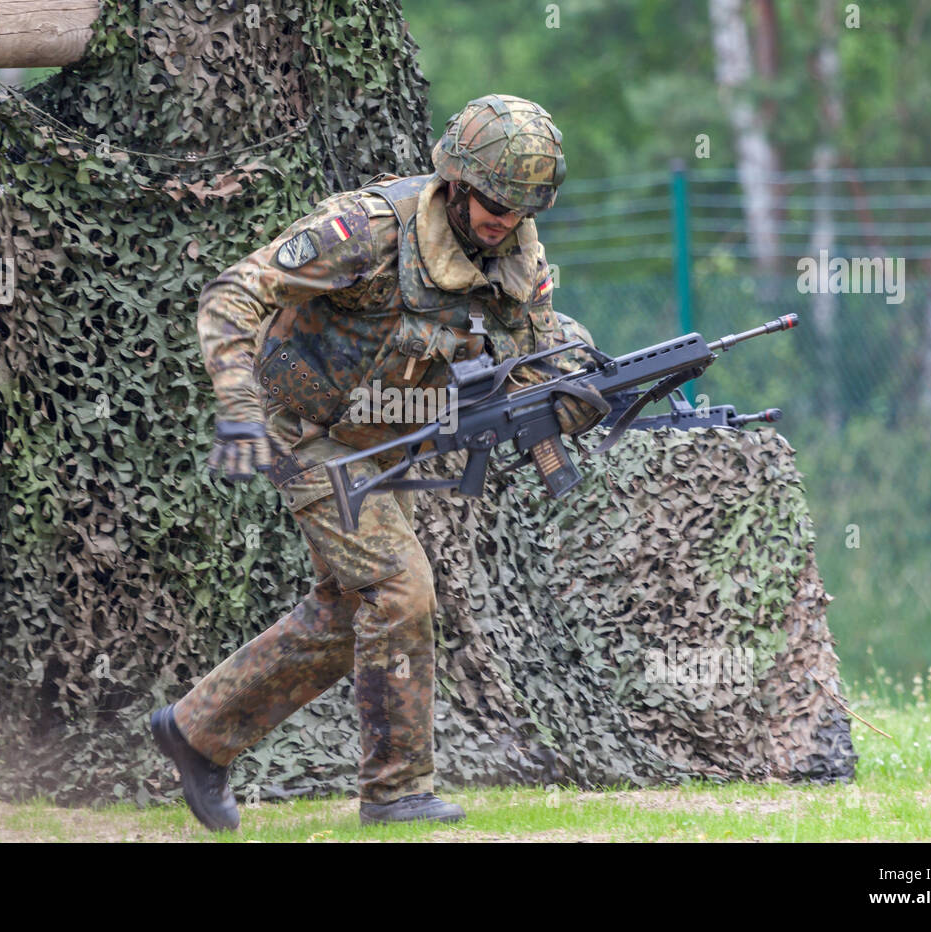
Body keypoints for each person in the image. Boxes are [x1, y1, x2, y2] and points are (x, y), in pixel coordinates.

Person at [150, 94, 607, 831]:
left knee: (351, 607)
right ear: (456, 183)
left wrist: (569, 396)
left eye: (524, 210)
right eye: (496, 204)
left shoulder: (518, 252)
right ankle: (397, 792)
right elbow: (232, 295)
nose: (507, 221)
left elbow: (535, 356)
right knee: (399, 589)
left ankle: (196, 732)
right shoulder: (368, 229)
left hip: (392, 436)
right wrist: (235, 406)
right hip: (304, 429)